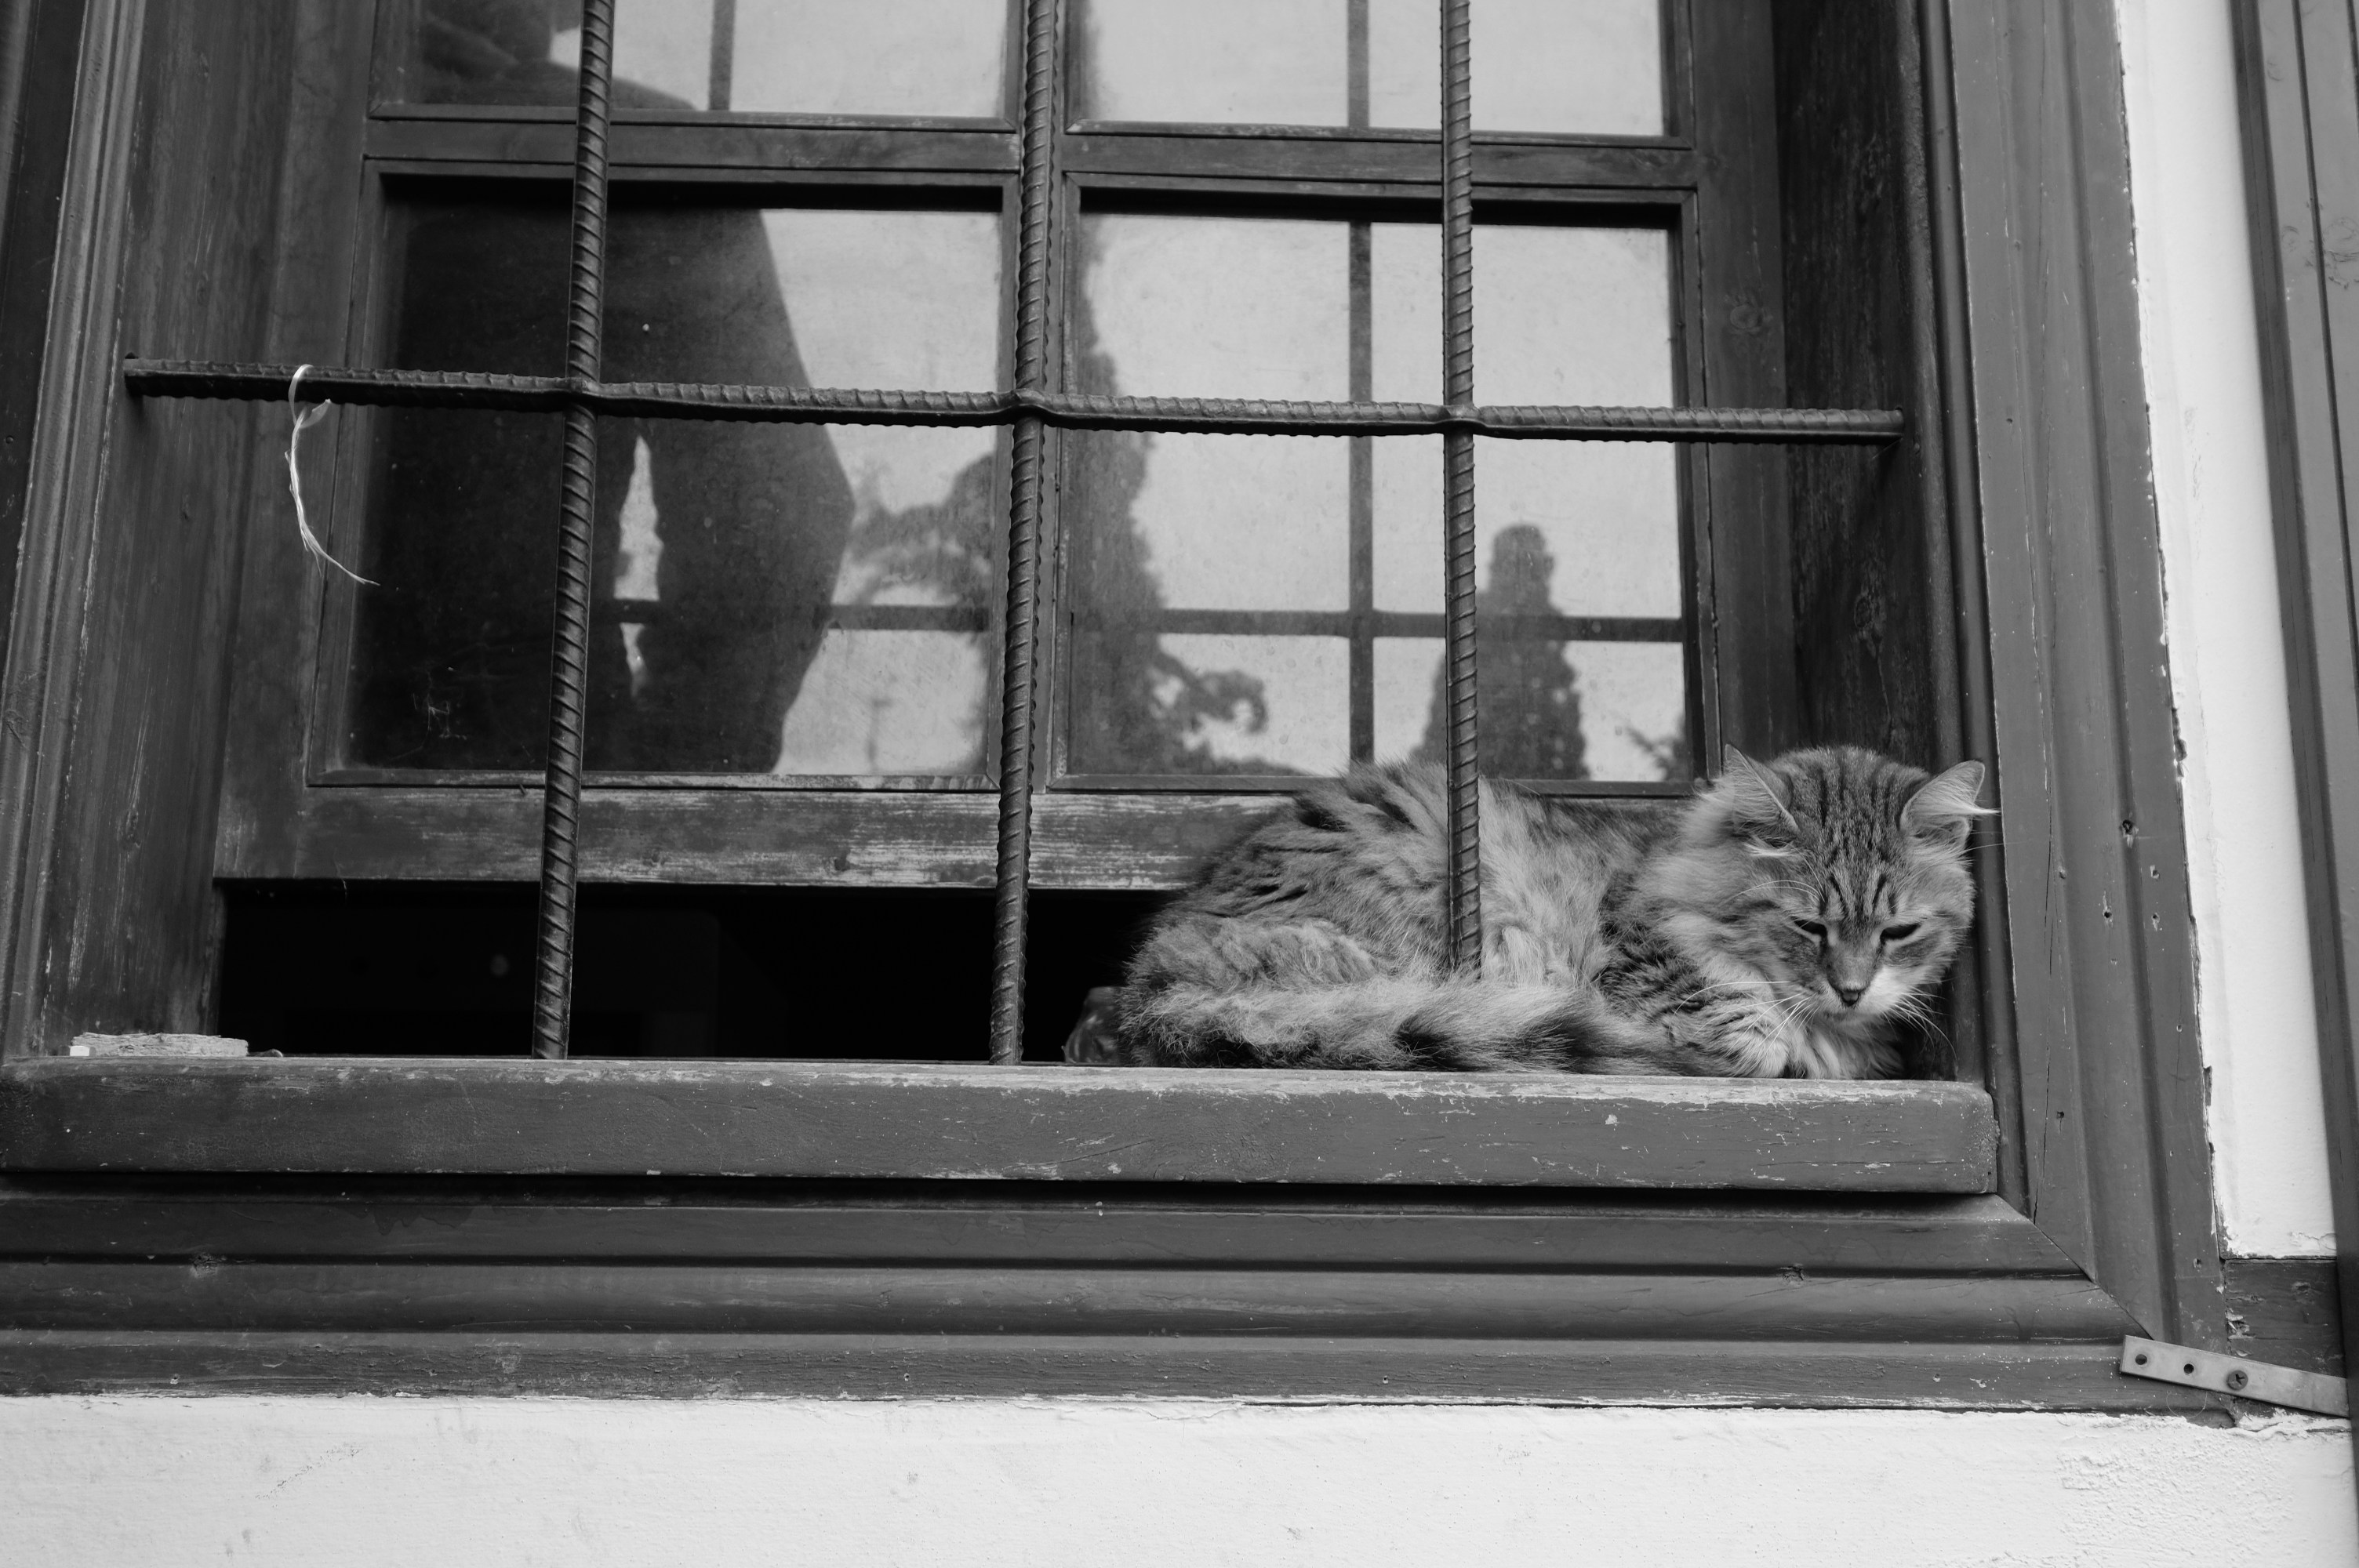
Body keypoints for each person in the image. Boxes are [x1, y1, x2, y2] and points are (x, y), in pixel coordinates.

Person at [351, 0, 852, 771]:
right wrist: (661, 781)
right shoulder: (637, 143)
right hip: (538, 753)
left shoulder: (293, 137)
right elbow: (775, 522)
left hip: (249, 722)